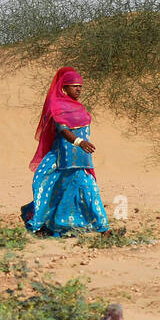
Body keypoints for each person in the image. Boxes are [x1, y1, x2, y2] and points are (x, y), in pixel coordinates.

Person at [22, 67, 109, 236]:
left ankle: (104, 229)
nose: (78, 89)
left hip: (79, 161)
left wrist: (83, 145)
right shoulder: (57, 105)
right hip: (60, 159)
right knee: (49, 189)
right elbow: (62, 129)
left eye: (80, 86)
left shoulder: (80, 107)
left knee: (90, 190)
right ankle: (39, 224)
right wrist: (79, 142)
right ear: (64, 87)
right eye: (74, 86)